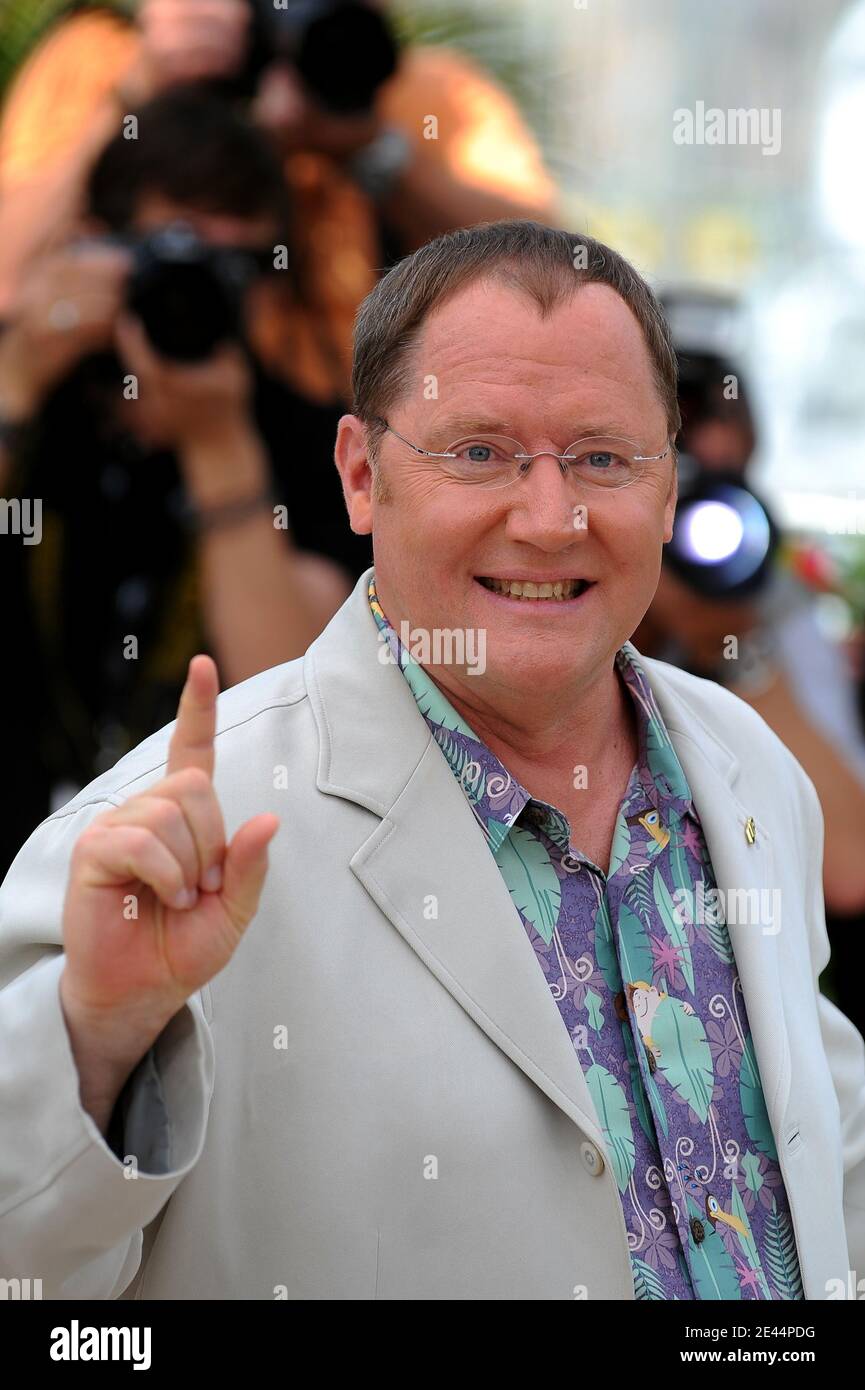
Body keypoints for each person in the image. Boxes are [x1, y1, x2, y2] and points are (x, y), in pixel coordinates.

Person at [1, 221, 863, 1301]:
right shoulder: (163, 841)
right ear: (362, 477)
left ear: (670, 490)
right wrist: (95, 1039)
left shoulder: (747, 766)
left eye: (603, 457)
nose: (549, 520)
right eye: (479, 453)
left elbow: (823, 1157)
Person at [0, 89, 366, 881]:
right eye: (173, 255)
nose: (202, 292)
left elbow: (295, 695)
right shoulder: (31, 395)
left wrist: (219, 446)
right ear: (95, 252)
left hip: (200, 877)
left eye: (235, 268)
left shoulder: (314, 441)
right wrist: (15, 386)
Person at [0, 0, 557, 400]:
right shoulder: (101, 60)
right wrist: (133, 96)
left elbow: (550, 279)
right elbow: (8, 279)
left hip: (343, 446)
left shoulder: (420, 92)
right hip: (135, 411)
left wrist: (373, 148)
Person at [634, 289, 865, 1031]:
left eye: (707, 413)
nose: (692, 448)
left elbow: (849, 869)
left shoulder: (763, 594)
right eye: (664, 420)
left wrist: (726, 646)